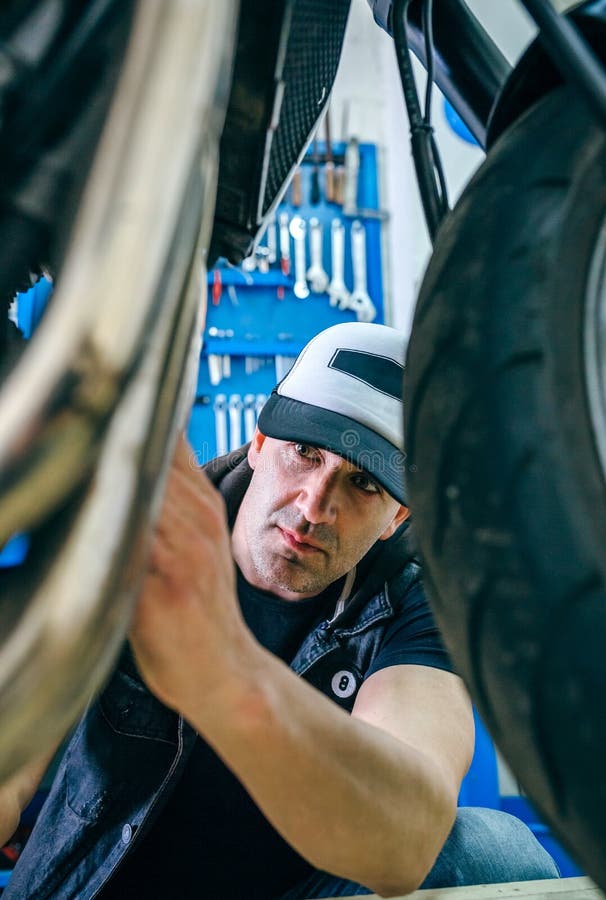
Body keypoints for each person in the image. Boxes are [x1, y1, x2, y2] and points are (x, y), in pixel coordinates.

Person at [3, 323, 557, 899]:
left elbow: (408, 836)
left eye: (362, 483)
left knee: (500, 848)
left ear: (398, 518)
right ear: (261, 442)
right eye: (305, 453)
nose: (316, 505)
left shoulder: (415, 606)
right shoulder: (142, 546)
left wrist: (223, 674)